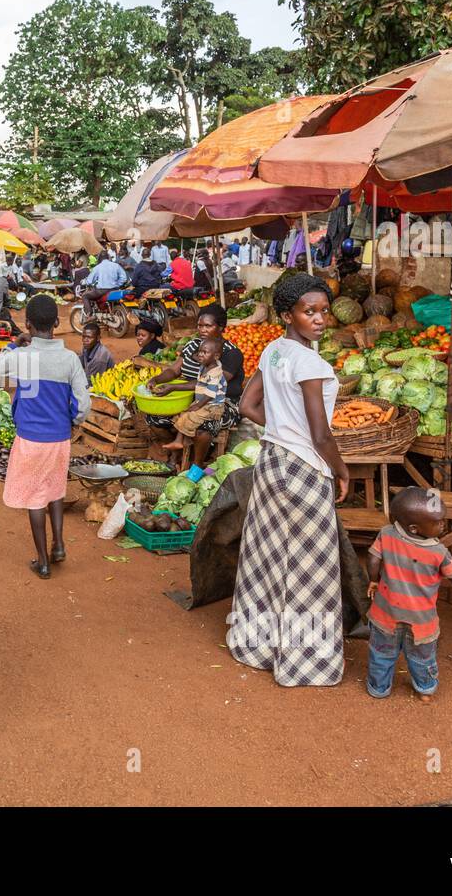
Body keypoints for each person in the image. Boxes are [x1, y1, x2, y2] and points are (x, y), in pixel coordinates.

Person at [229, 273, 348, 687]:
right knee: (308, 568)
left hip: (271, 462)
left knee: (266, 558)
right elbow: (320, 435)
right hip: (303, 469)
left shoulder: (274, 351)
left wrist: (281, 426)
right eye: (308, 311)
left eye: (324, 311)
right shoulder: (311, 363)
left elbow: (247, 404)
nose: (319, 319)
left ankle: (256, 645)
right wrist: (341, 469)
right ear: (287, 314)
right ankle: (303, 663)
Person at [0, 294, 90, 579]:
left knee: (36, 497)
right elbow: (83, 403)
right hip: (60, 438)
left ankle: (43, 561)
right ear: (57, 323)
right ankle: (58, 545)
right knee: (55, 488)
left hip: (30, 439)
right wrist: (75, 421)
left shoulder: (23, 357)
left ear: (28, 324)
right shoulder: (70, 359)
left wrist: (16, 342)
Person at [366, 489, 452, 702]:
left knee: (381, 654)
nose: (443, 524)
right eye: (438, 522)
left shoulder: (387, 534)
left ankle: (379, 689)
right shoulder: (438, 552)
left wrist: (373, 580)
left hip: (385, 614)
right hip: (421, 621)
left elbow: (373, 558)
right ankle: (425, 689)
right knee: (422, 658)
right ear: (414, 528)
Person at [145, 305, 244, 455]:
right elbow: (173, 370)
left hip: (223, 403)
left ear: (221, 327)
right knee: (154, 417)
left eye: (208, 326)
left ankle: (197, 465)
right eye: (199, 325)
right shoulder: (192, 346)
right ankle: (178, 453)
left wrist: (174, 388)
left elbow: (211, 384)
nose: (202, 330)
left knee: (201, 426)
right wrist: (156, 379)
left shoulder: (231, 353)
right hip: (193, 400)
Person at [162, 336, 227, 462]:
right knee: (184, 412)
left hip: (213, 407)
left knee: (192, 415)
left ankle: (181, 442)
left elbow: (210, 394)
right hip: (203, 402)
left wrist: (197, 405)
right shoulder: (204, 366)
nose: (201, 355)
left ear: (216, 356)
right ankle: (179, 441)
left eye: (205, 352)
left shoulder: (215, 373)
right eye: (200, 352)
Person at [81, 249, 127, 315]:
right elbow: (124, 278)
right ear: (108, 257)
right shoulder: (116, 265)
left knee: (85, 296)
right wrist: (117, 284)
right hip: (115, 289)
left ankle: (89, 314)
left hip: (102, 291)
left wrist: (84, 282)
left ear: (99, 258)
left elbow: (89, 281)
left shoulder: (97, 267)